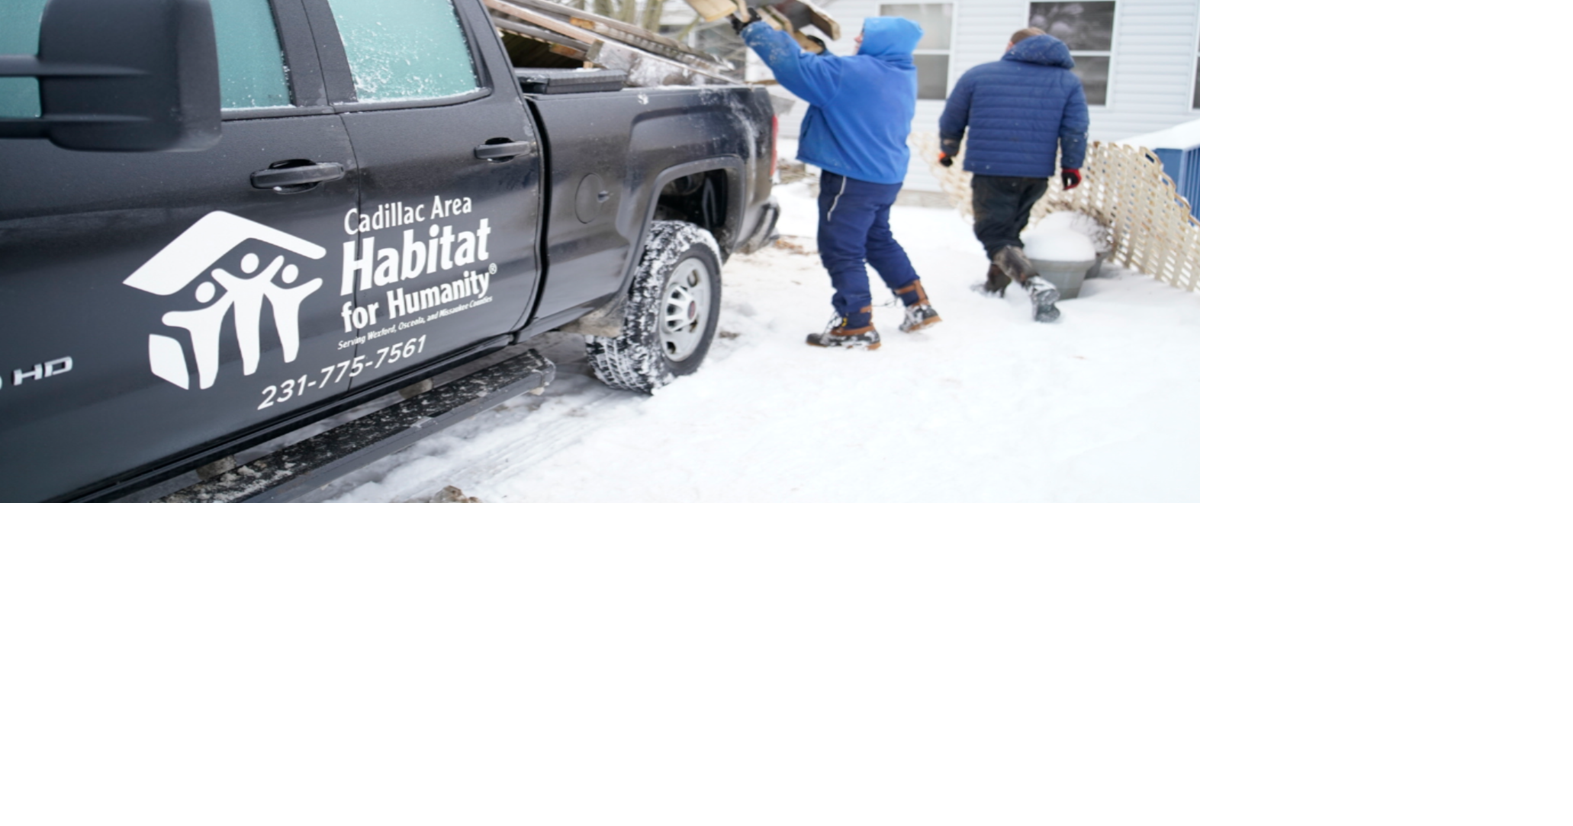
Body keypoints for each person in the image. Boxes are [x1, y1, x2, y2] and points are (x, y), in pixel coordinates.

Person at [737, 10, 940, 350]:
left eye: (865, 35)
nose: (857, 39)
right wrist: (822, 55)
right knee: (878, 240)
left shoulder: (854, 73)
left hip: (852, 178)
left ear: (883, 42)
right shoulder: (900, 71)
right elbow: (842, 78)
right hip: (884, 177)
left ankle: (856, 324)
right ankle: (918, 304)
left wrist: (756, 31)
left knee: (841, 250)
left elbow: (796, 69)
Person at [938, 28, 1090, 323]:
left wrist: (948, 148)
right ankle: (994, 286)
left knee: (993, 232)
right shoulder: (1068, 81)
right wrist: (1071, 165)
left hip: (992, 169)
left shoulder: (980, 74)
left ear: (1012, 46)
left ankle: (1034, 283)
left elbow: (953, 116)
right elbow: (1075, 129)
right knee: (1009, 232)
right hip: (1036, 172)